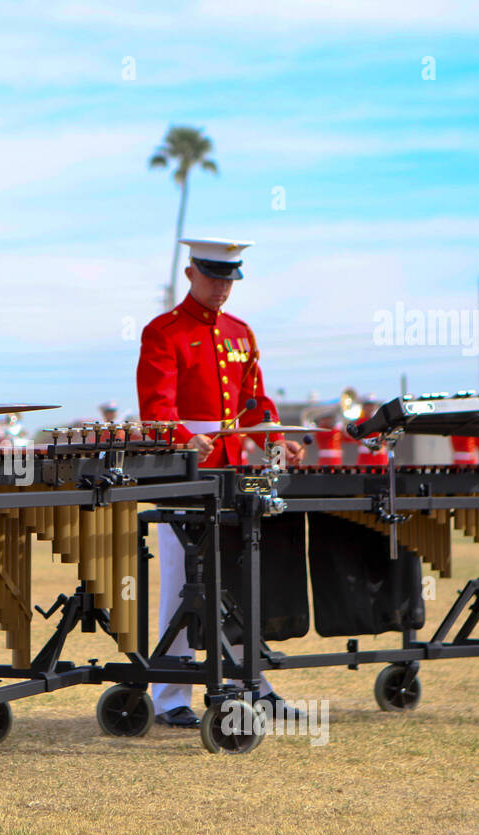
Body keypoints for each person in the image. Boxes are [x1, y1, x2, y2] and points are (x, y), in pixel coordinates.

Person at [136, 238, 303, 727]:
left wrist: (277, 443)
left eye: (229, 278)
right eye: (213, 277)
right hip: (184, 474)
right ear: (190, 273)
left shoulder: (240, 332)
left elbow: (256, 405)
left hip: (235, 474)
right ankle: (170, 696)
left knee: (235, 580)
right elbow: (156, 411)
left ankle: (249, 681)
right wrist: (186, 437)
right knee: (181, 582)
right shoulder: (163, 332)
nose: (221, 287)